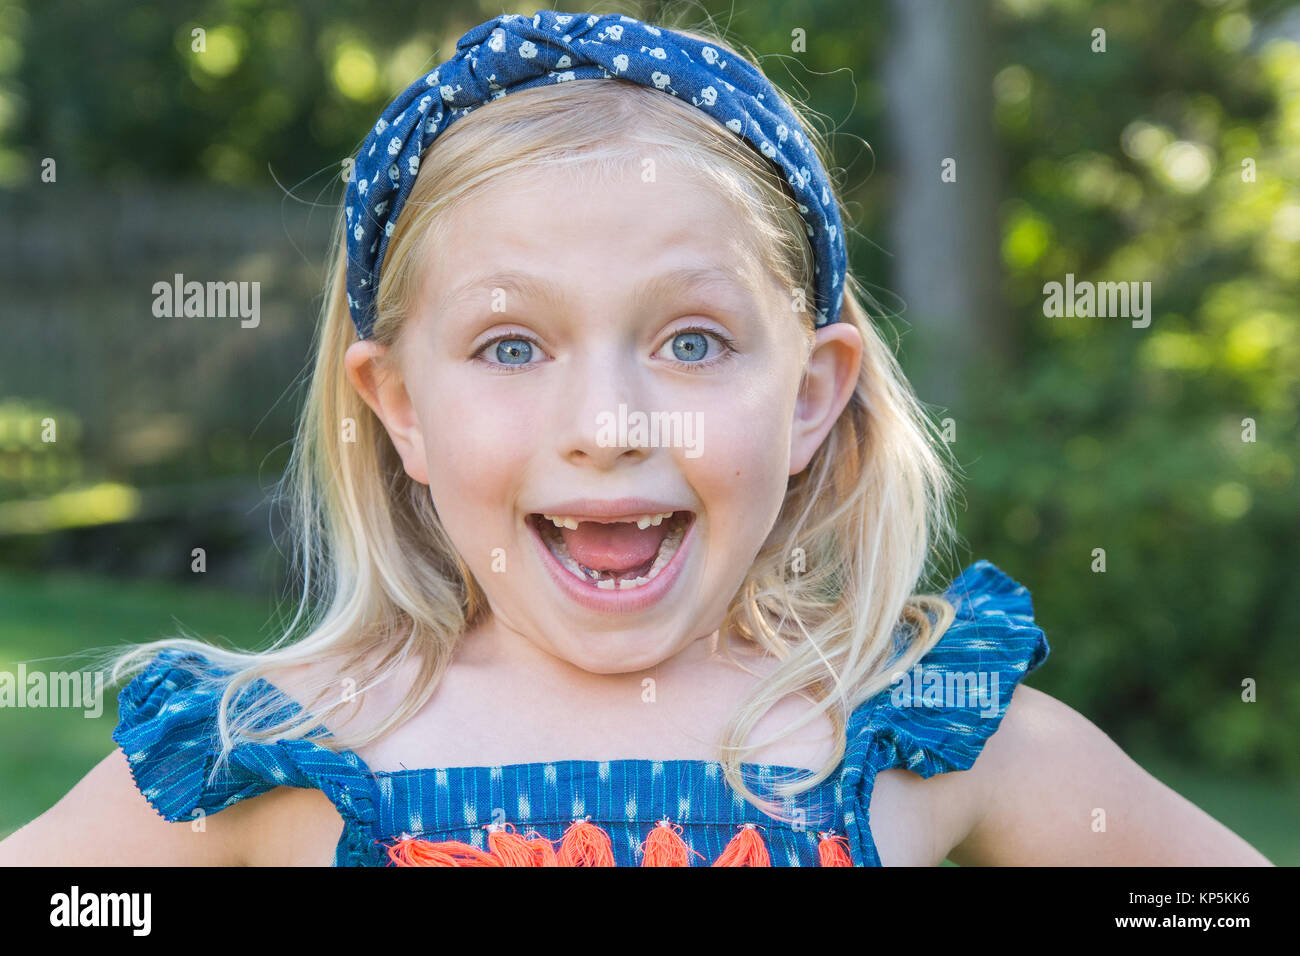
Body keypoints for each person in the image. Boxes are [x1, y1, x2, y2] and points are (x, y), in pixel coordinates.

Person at [0, 8, 1271, 866]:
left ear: (813, 392)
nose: (607, 426)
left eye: (692, 342)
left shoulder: (912, 724)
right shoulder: (279, 748)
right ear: (399, 411)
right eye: (511, 347)